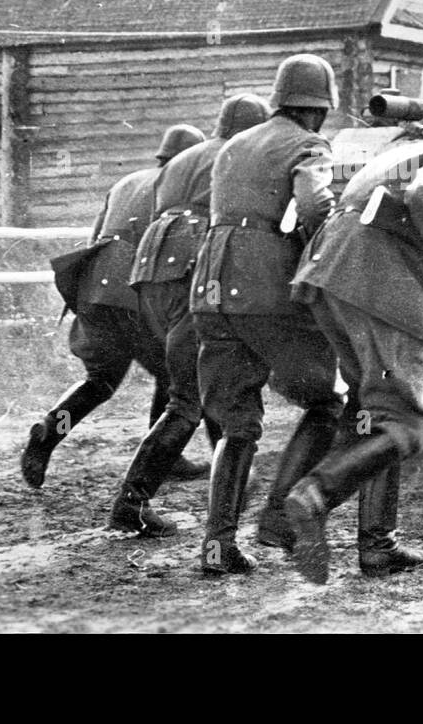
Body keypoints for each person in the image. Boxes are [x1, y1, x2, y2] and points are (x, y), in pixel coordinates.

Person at [284, 85, 423, 584]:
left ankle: (378, 547)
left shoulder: (401, 150)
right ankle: (315, 494)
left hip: (327, 272)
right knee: (410, 423)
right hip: (372, 282)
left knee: (379, 413)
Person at [189, 55, 345, 575]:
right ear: (319, 111)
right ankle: (279, 519)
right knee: (328, 401)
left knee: (237, 424)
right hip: (263, 290)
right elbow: (316, 205)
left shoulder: (234, 144)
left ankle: (218, 546)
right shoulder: (308, 145)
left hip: (209, 286)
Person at [107, 93, 271, 537]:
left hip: (152, 274)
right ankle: (132, 503)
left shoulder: (185, 158)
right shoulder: (239, 155)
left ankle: (230, 481)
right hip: (194, 271)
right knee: (190, 397)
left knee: (199, 383)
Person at [20, 123, 205, 489]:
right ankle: (164, 461)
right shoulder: (176, 188)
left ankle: (47, 434)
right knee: (175, 374)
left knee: (100, 380)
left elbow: (94, 237)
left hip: (94, 287)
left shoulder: (126, 182)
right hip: (133, 289)